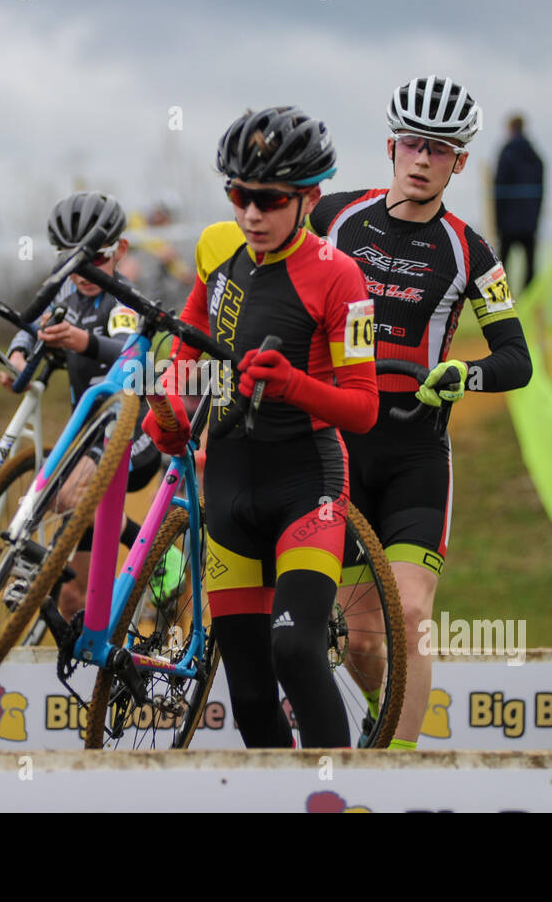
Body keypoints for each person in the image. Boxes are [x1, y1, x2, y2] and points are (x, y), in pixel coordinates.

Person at [142, 106, 379, 748]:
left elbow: (363, 407)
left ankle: (341, 793)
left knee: (295, 650)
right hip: (230, 488)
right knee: (247, 694)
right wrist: (167, 410)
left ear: (309, 197)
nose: (252, 213)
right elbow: (187, 359)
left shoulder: (339, 276)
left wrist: (293, 384)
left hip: (306, 483)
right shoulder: (218, 253)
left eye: (269, 199)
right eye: (239, 194)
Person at [307, 75, 532, 749]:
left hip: (414, 451)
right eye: (413, 143)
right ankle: (358, 725)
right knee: (363, 642)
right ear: (391, 146)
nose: (423, 159)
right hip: (335, 445)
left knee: (406, 613)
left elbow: (516, 357)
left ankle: (399, 771)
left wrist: (467, 372)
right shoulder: (335, 218)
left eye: (439, 149)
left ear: (459, 162)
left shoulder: (471, 250)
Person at [0, 191, 175, 619]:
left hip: (131, 433)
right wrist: (18, 355)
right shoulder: (63, 292)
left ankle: (157, 553)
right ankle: (147, 548)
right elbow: (28, 323)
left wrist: (84, 342)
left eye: (95, 259)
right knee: (73, 599)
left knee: (63, 495)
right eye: (71, 259)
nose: (83, 271)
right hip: (88, 434)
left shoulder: (121, 298)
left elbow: (132, 351)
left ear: (120, 252)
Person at [492, 113, 544, 294]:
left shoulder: (506, 153)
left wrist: (497, 221)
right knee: (530, 266)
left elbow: (498, 189)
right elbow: (540, 190)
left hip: (507, 221)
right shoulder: (535, 156)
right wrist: (536, 218)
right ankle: (529, 302)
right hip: (530, 221)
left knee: (500, 266)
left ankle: (501, 299)